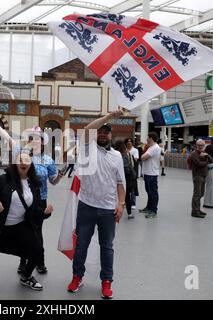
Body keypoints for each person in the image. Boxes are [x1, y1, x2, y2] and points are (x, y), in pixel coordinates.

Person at [66, 109, 126, 300]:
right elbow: (86, 130)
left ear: (110, 135)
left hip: (108, 208)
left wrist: (121, 204)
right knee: (82, 243)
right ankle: (77, 277)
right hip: (87, 205)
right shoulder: (87, 147)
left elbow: (120, 183)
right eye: (100, 131)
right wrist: (108, 117)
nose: (102, 133)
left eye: (106, 131)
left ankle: (106, 281)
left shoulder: (117, 156)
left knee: (107, 246)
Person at [0, 123, 64, 275]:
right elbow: (9, 139)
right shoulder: (21, 153)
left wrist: (60, 177)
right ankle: (23, 261)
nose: (33, 140)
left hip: (39, 201)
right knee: (23, 231)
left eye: (37, 138)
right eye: (31, 138)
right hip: (20, 200)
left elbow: (53, 181)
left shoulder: (48, 160)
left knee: (36, 231)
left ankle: (39, 261)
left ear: (42, 142)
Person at [0, 152, 54, 290]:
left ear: (31, 164)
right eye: (20, 160)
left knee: (37, 250)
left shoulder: (34, 184)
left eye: (27, 160)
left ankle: (26, 276)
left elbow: (35, 211)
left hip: (19, 226)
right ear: (15, 163)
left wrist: (45, 213)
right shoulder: (3, 180)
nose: (23, 163)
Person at [139, 132, 162, 218]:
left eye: (147, 137)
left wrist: (142, 156)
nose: (146, 139)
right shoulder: (150, 147)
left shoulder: (155, 148)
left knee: (153, 192)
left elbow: (143, 157)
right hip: (147, 172)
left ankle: (153, 210)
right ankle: (149, 207)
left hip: (152, 173)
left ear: (151, 138)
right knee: (149, 192)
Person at [189, 139, 212, 218]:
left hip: (203, 176)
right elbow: (198, 163)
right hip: (197, 176)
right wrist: (207, 162)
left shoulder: (204, 153)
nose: (200, 147)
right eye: (199, 145)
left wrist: (207, 156)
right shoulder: (194, 154)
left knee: (201, 194)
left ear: (204, 146)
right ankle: (195, 211)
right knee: (197, 194)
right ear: (196, 145)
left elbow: (211, 160)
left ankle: (198, 209)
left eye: (202, 145)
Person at [114, 140, 136, 219]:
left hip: (116, 178)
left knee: (117, 195)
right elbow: (127, 168)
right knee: (126, 196)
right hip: (126, 179)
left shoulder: (114, 155)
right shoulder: (125, 154)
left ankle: (115, 209)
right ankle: (129, 213)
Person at [125, 138, 139, 210]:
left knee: (133, 188)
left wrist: (129, 155)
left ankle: (133, 203)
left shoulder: (135, 150)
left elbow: (136, 159)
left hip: (132, 172)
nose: (129, 143)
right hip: (125, 171)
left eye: (130, 141)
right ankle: (125, 202)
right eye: (127, 141)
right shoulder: (123, 150)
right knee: (125, 187)